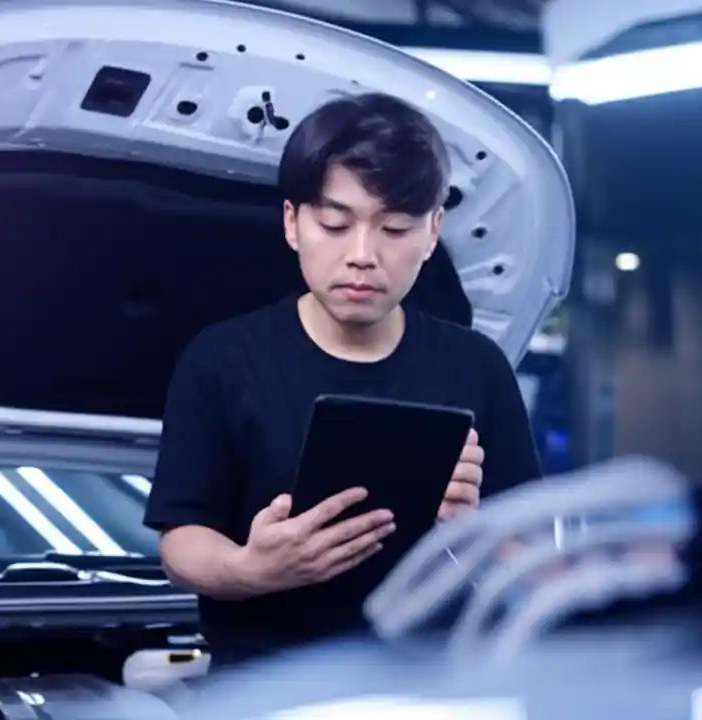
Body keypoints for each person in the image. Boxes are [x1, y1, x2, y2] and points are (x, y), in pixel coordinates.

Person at [142, 92, 542, 667]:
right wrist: (250, 570)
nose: (362, 255)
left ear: (433, 232)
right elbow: (180, 543)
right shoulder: (221, 361)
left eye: (396, 228)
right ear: (293, 223)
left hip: (433, 688)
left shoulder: (476, 366)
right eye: (335, 223)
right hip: (264, 692)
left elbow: (527, 555)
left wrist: (472, 537)